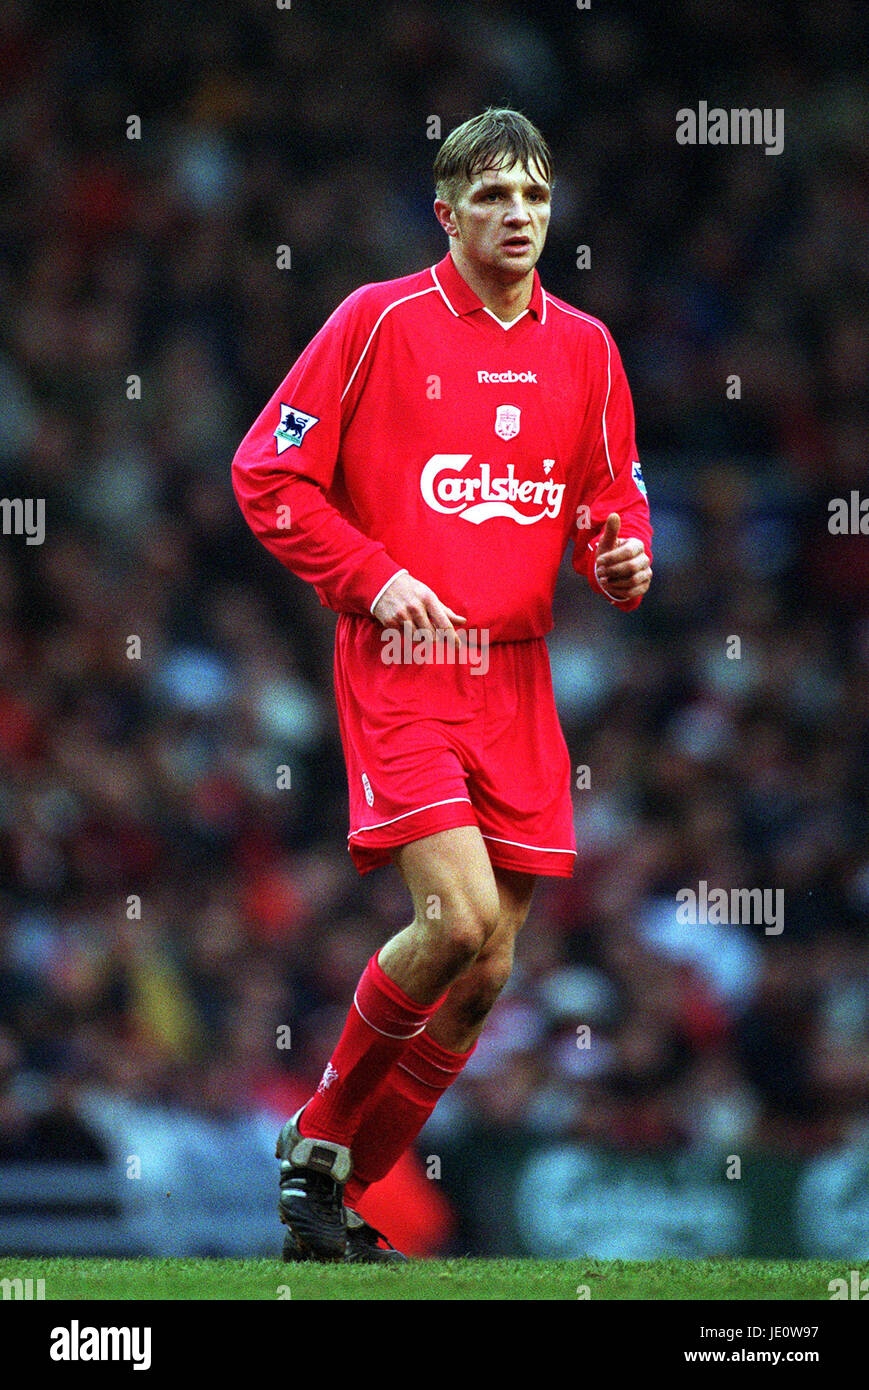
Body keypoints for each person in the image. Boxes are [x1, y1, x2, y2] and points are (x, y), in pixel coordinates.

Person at [232, 108, 652, 1262]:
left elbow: (607, 499)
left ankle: (335, 1192)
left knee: (485, 975)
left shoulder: (587, 349)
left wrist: (621, 554)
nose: (516, 218)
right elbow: (267, 472)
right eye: (491, 199)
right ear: (445, 212)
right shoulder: (377, 321)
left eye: (532, 198)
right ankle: (313, 1134)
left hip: (517, 676)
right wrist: (371, 578)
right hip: (406, 666)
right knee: (455, 918)